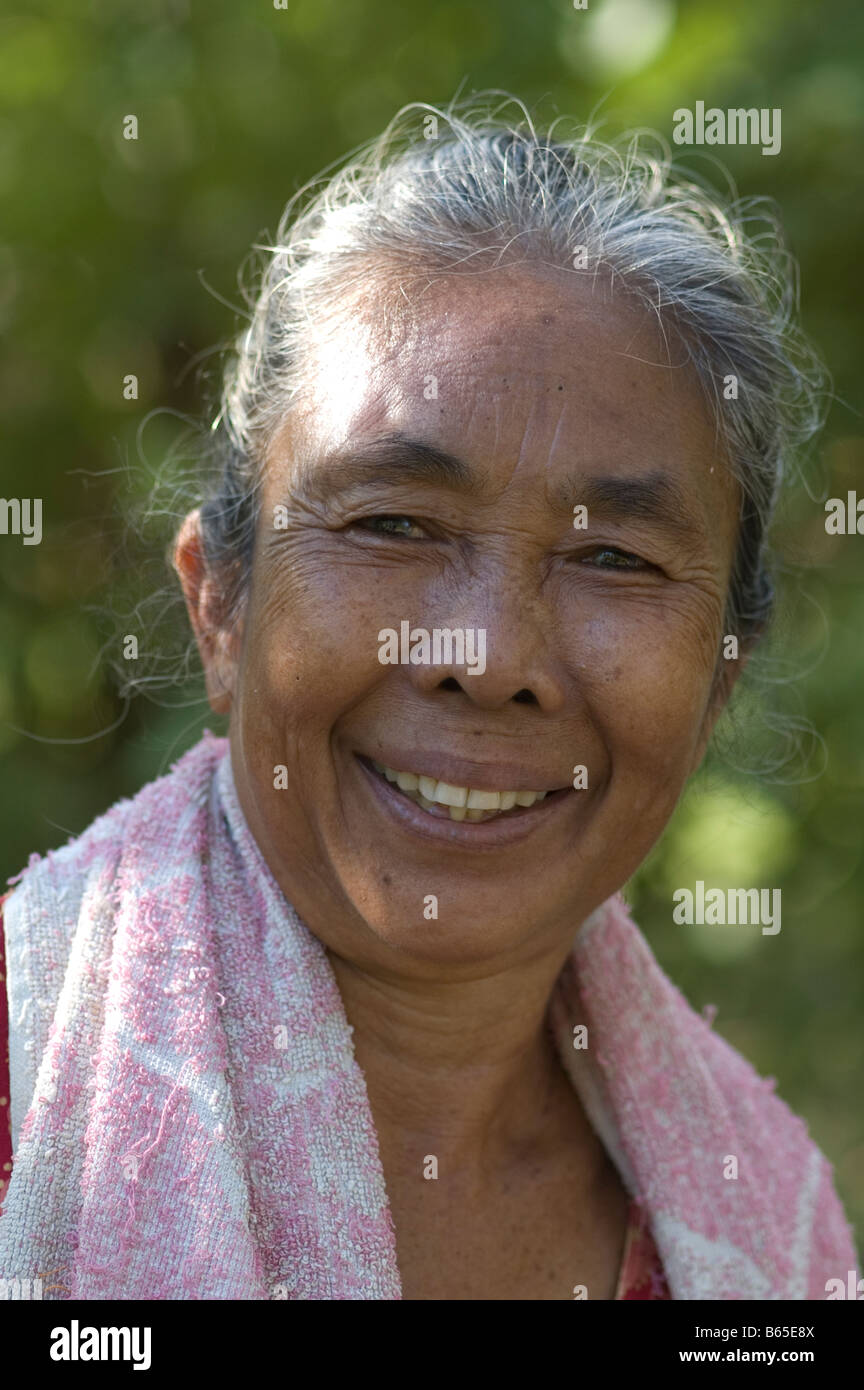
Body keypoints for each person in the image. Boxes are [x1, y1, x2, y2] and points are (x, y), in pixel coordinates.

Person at [0, 97, 856, 1300]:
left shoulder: (767, 1241)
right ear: (222, 607)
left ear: (721, 676)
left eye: (615, 556)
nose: (489, 652)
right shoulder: (17, 1085)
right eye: (392, 524)